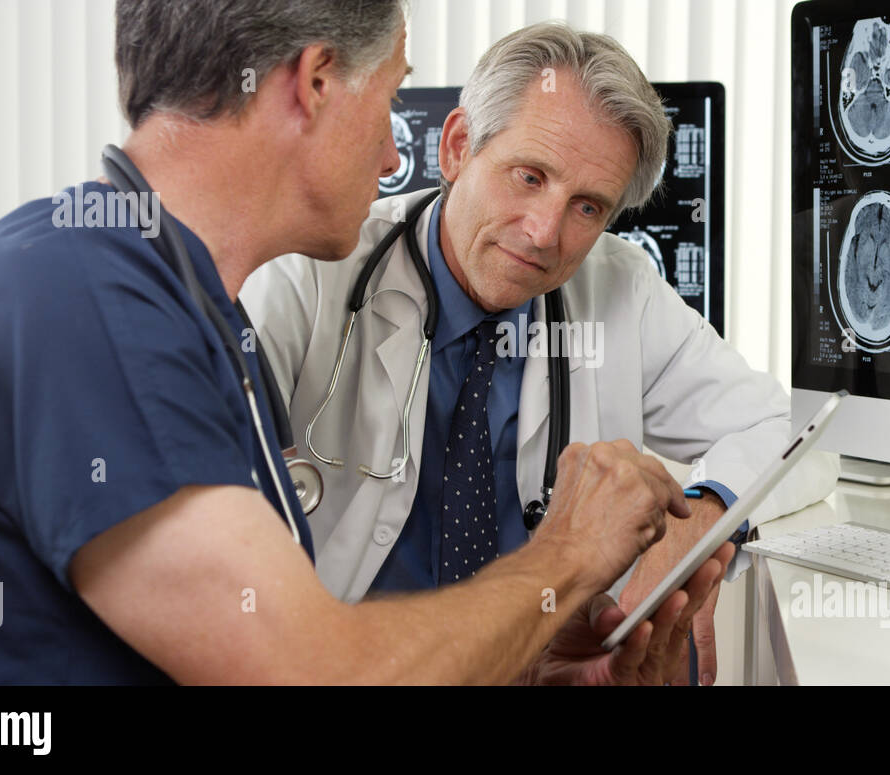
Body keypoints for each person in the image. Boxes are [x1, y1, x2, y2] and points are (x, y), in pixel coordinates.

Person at [0, 0, 728, 685]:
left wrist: (517, 649)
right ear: (316, 82)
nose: (394, 149)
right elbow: (313, 676)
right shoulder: (81, 303)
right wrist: (570, 553)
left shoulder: (184, 309)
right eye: (392, 98)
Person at [240, 21, 839, 686]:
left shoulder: (619, 287)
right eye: (528, 176)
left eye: (588, 207)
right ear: (459, 146)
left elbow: (795, 432)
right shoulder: (307, 275)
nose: (545, 232)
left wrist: (702, 514)